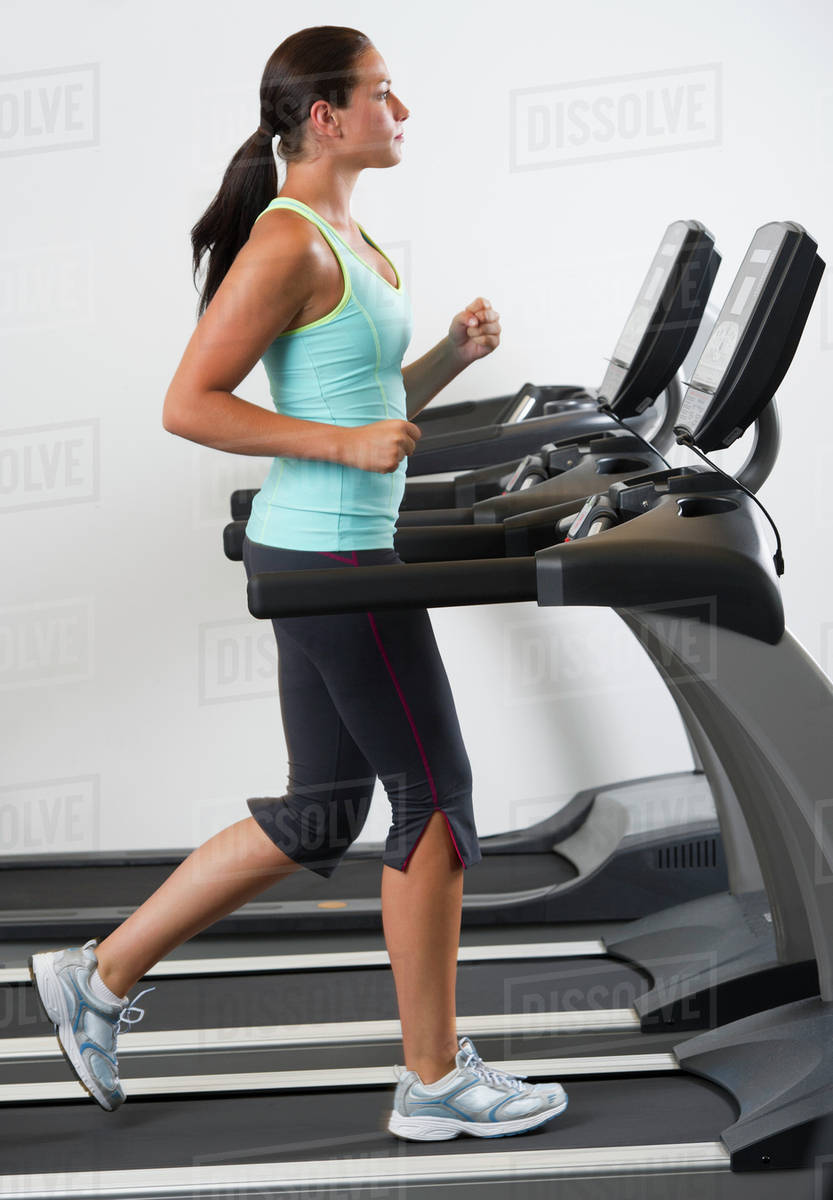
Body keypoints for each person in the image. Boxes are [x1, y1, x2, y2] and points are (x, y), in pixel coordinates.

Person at [29, 25, 567, 1142]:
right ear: (325, 116)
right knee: (436, 797)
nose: (400, 110)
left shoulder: (344, 232)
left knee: (322, 812)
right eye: (381, 94)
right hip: (329, 554)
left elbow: (355, 404)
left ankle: (97, 973)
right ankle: (433, 1080)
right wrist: (338, 451)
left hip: (328, 549)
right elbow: (190, 402)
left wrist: (449, 360)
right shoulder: (286, 241)